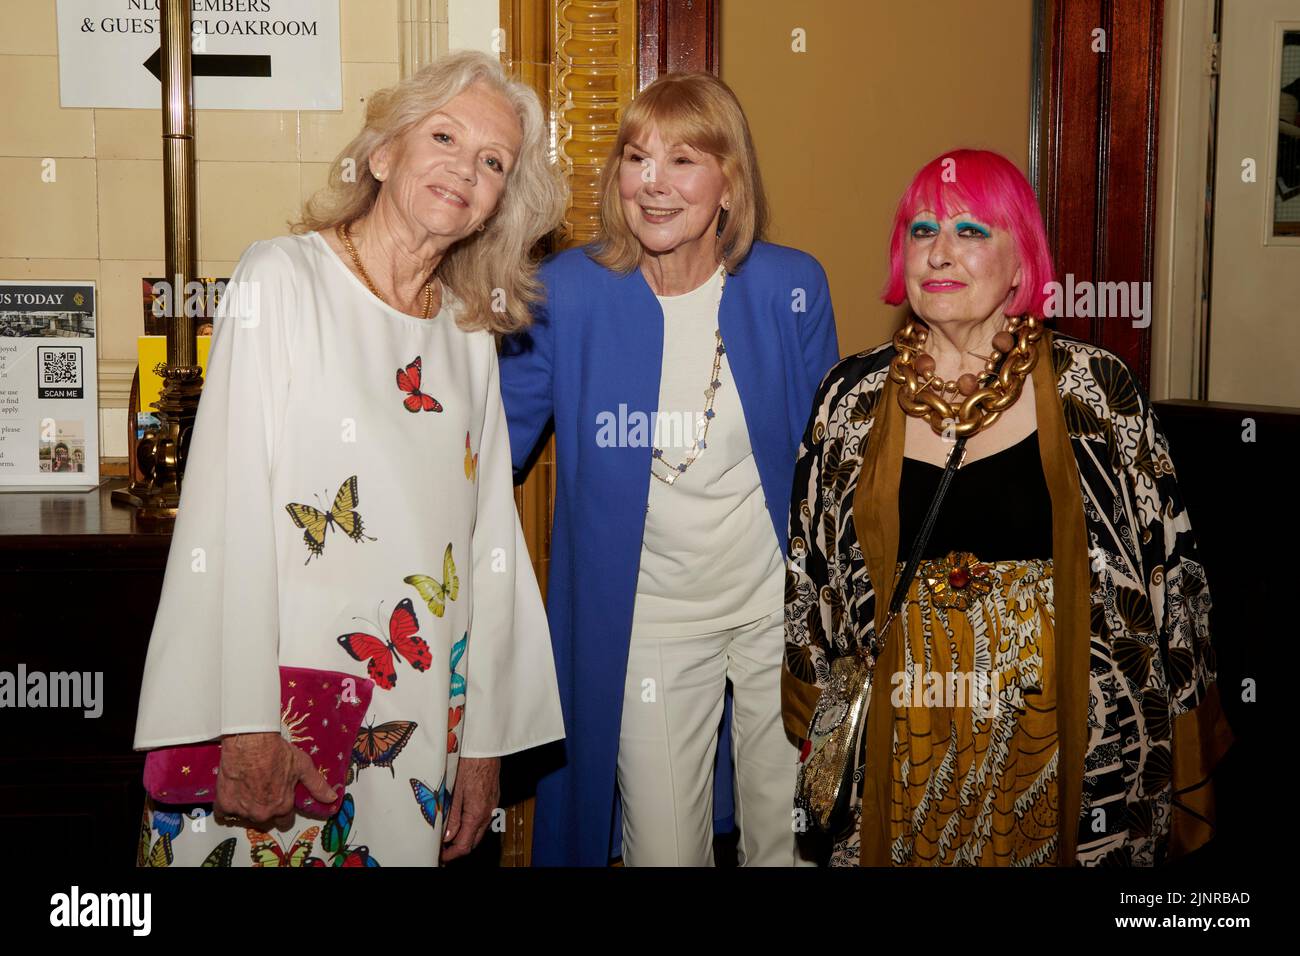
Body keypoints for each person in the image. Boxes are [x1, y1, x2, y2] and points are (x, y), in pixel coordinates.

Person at [133, 51, 566, 867]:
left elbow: (491, 548)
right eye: (443, 136)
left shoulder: (469, 331)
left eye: (492, 161)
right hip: (281, 713)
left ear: (499, 203)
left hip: (414, 719)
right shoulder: (281, 281)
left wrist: (483, 744)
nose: (464, 169)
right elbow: (224, 511)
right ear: (382, 153)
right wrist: (246, 722)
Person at [783, 149, 1233, 866]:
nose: (939, 250)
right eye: (923, 228)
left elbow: (1170, 573)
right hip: (901, 741)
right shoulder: (850, 400)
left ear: (1021, 263)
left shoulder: (1097, 393)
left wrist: (1180, 722)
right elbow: (810, 579)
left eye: (971, 231)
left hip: (1066, 746)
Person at [501, 72, 838, 866]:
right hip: (648, 620)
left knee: (784, 841)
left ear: (729, 184)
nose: (652, 184)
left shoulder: (792, 287)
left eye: (682, 160)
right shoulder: (568, 294)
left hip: (774, 617)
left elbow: (832, 468)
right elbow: (487, 450)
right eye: (635, 157)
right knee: (662, 850)